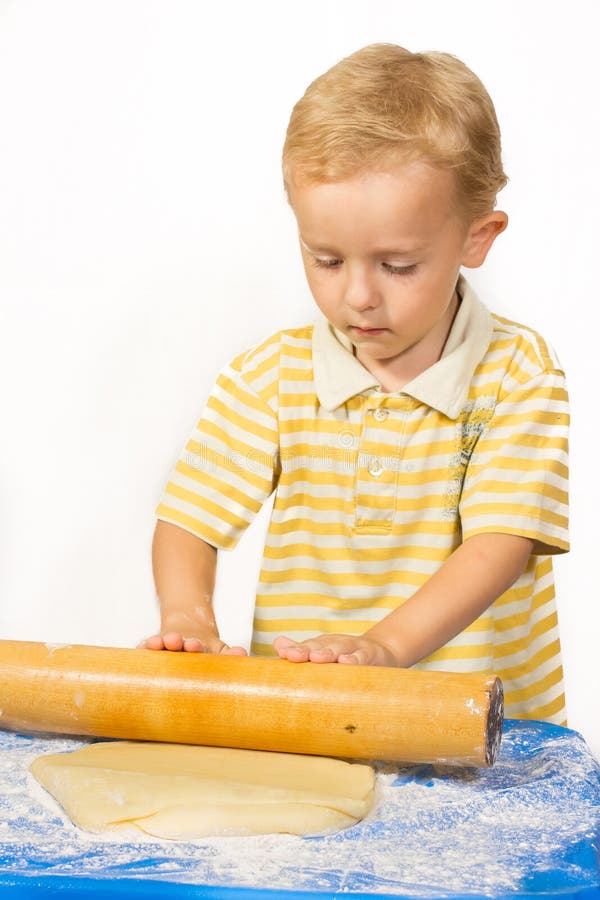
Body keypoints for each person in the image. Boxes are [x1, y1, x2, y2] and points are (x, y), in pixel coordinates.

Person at [144, 44, 569, 725]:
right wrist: (189, 617)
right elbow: (188, 520)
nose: (359, 296)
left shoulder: (517, 376)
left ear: (477, 238)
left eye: (398, 265)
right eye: (327, 259)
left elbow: (498, 546)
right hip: (308, 718)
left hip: (478, 738)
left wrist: (382, 648)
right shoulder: (272, 378)